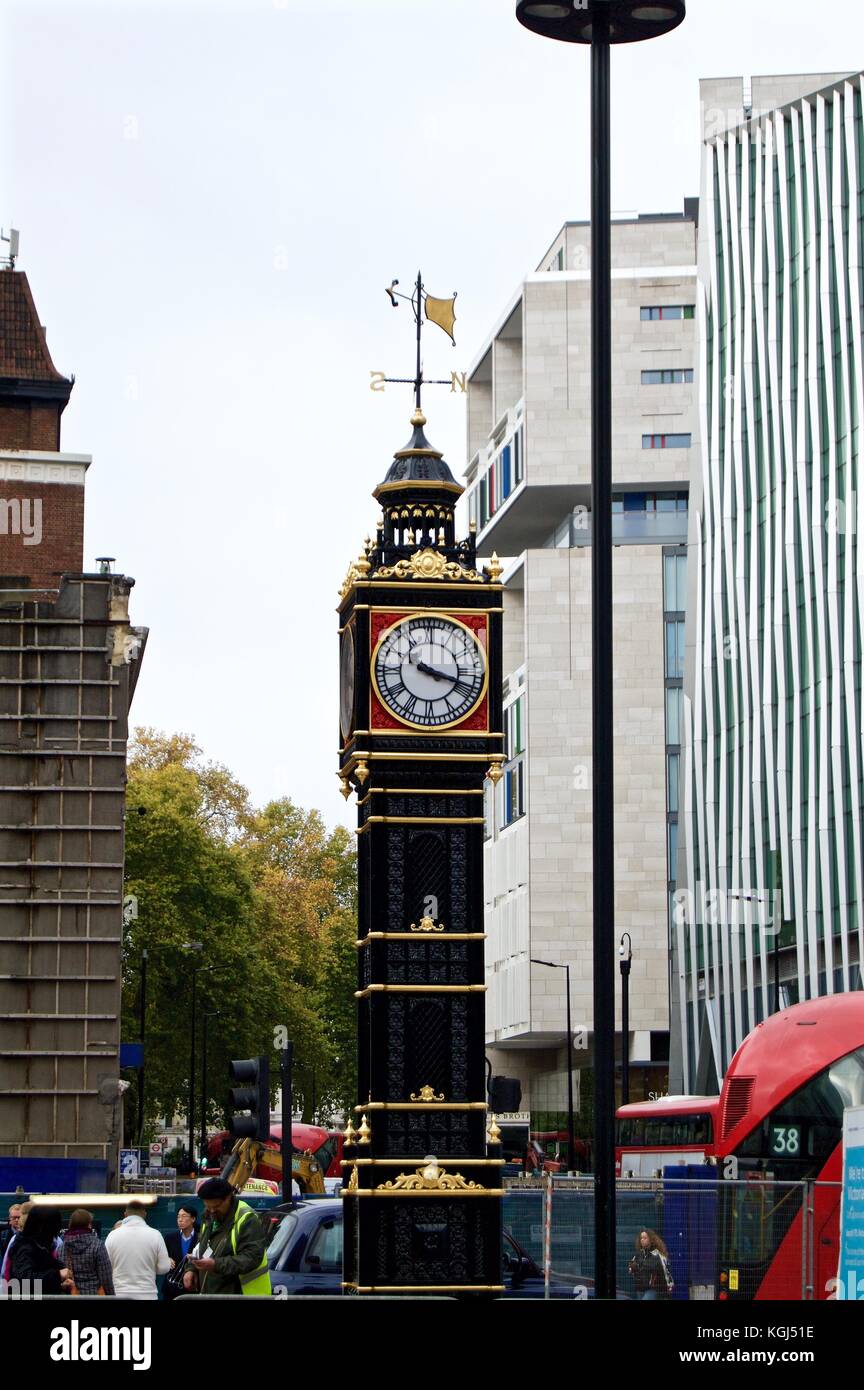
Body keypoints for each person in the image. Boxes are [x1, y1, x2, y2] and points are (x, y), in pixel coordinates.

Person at [182, 1177, 271, 1296]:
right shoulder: (208, 1215)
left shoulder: (247, 1219)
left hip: (241, 1295)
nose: (212, 1211)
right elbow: (201, 1246)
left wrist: (215, 1264)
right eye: (208, 1207)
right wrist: (191, 1269)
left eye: (216, 1206)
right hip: (213, 1293)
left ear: (229, 1197)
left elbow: (251, 1258)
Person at [105, 1200, 171, 1299]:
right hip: (147, 1294)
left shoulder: (112, 1235)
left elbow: (106, 1267)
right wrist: (150, 1268)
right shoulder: (155, 1235)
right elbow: (164, 1268)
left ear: (125, 1214)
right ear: (144, 1214)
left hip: (120, 1293)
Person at [8, 1207, 72, 1294]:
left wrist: (60, 1285)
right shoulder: (25, 1247)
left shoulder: (38, 1246)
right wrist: (58, 1275)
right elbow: (24, 1279)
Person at [63, 1208, 115, 1296]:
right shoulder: (98, 1245)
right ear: (89, 1225)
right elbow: (106, 1277)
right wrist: (111, 1296)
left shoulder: (62, 1247)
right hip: (93, 1295)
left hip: (71, 1295)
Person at [163, 1204, 200, 1301]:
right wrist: (165, 1259)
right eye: (178, 1216)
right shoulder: (170, 1238)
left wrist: (196, 1257)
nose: (180, 1219)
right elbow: (159, 1256)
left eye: (184, 1216)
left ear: (193, 1219)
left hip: (192, 1288)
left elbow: (210, 1256)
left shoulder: (201, 1238)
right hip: (171, 1288)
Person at [628, 1228, 674, 1300]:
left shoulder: (658, 1255)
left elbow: (666, 1271)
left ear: (651, 1240)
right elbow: (631, 1269)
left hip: (653, 1289)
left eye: (645, 1238)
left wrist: (669, 1287)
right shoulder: (638, 1255)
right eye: (641, 1238)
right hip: (640, 1288)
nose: (642, 1240)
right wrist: (632, 1268)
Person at [1, 1201, 33, 1283]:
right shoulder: (3, 1236)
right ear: (9, 1218)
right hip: (10, 1278)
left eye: (19, 1217)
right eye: (14, 1217)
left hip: (28, 1278)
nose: (16, 1220)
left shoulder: (31, 1236)